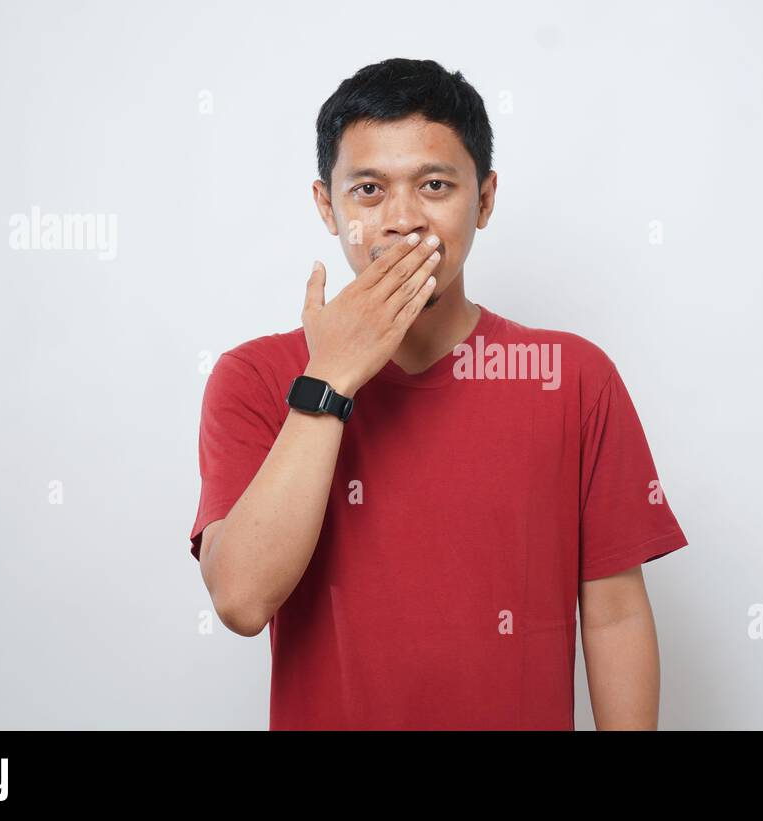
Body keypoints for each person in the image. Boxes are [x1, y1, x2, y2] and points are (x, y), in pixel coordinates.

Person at [188, 57, 688, 730]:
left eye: (434, 184)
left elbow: (616, 612)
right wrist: (329, 379)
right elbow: (242, 600)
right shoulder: (251, 378)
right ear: (325, 206)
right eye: (368, 189)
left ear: (483, 198)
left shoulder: (572, 376)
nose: (402, 219)